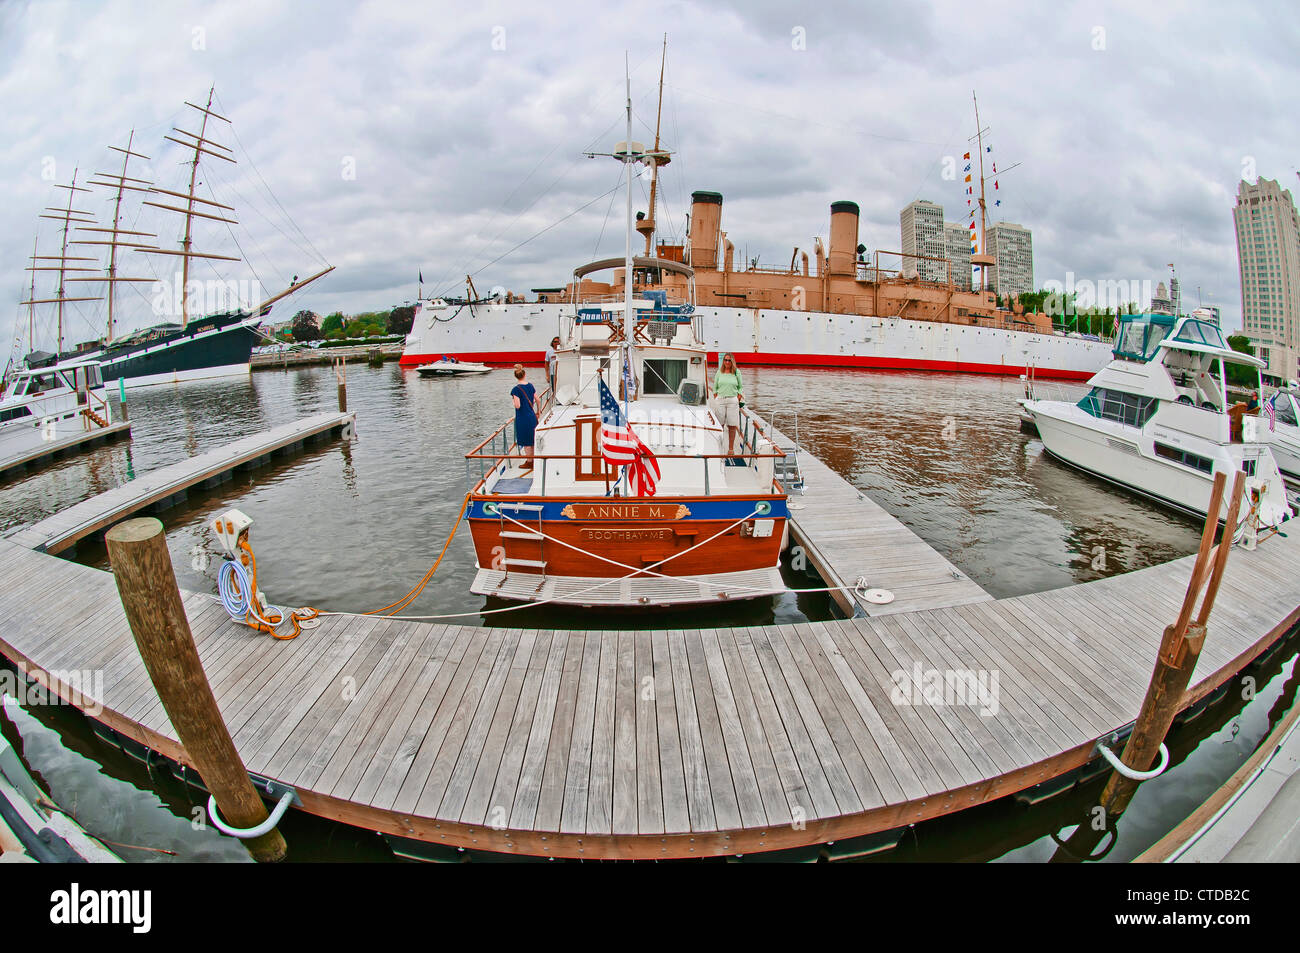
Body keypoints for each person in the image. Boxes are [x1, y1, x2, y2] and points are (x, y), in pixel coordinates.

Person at [712, 352, 744, 458]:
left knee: (732, 425)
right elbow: (715, 387)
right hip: (720, 400)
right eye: (725, 360)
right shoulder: (719, 373)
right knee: (720, 425)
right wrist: (716, 397)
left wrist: (738, 397)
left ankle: (730, 449)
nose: (727, 362)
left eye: (729, 360)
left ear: (732, 361)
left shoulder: (736, 372)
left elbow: (740, 387)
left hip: (732, 400)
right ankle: (719, 448)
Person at [511, 365, 539, 469]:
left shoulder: (516, 389)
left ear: (516, 376)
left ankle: (529, 461)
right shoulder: (530, 385)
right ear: (524, 374)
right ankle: (535, 459)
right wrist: (538, 411)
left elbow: (518, 405)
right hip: (532, 415)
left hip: (522, 417)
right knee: (532, 439)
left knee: (526, 441)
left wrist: (513, 401)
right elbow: (538, 399)